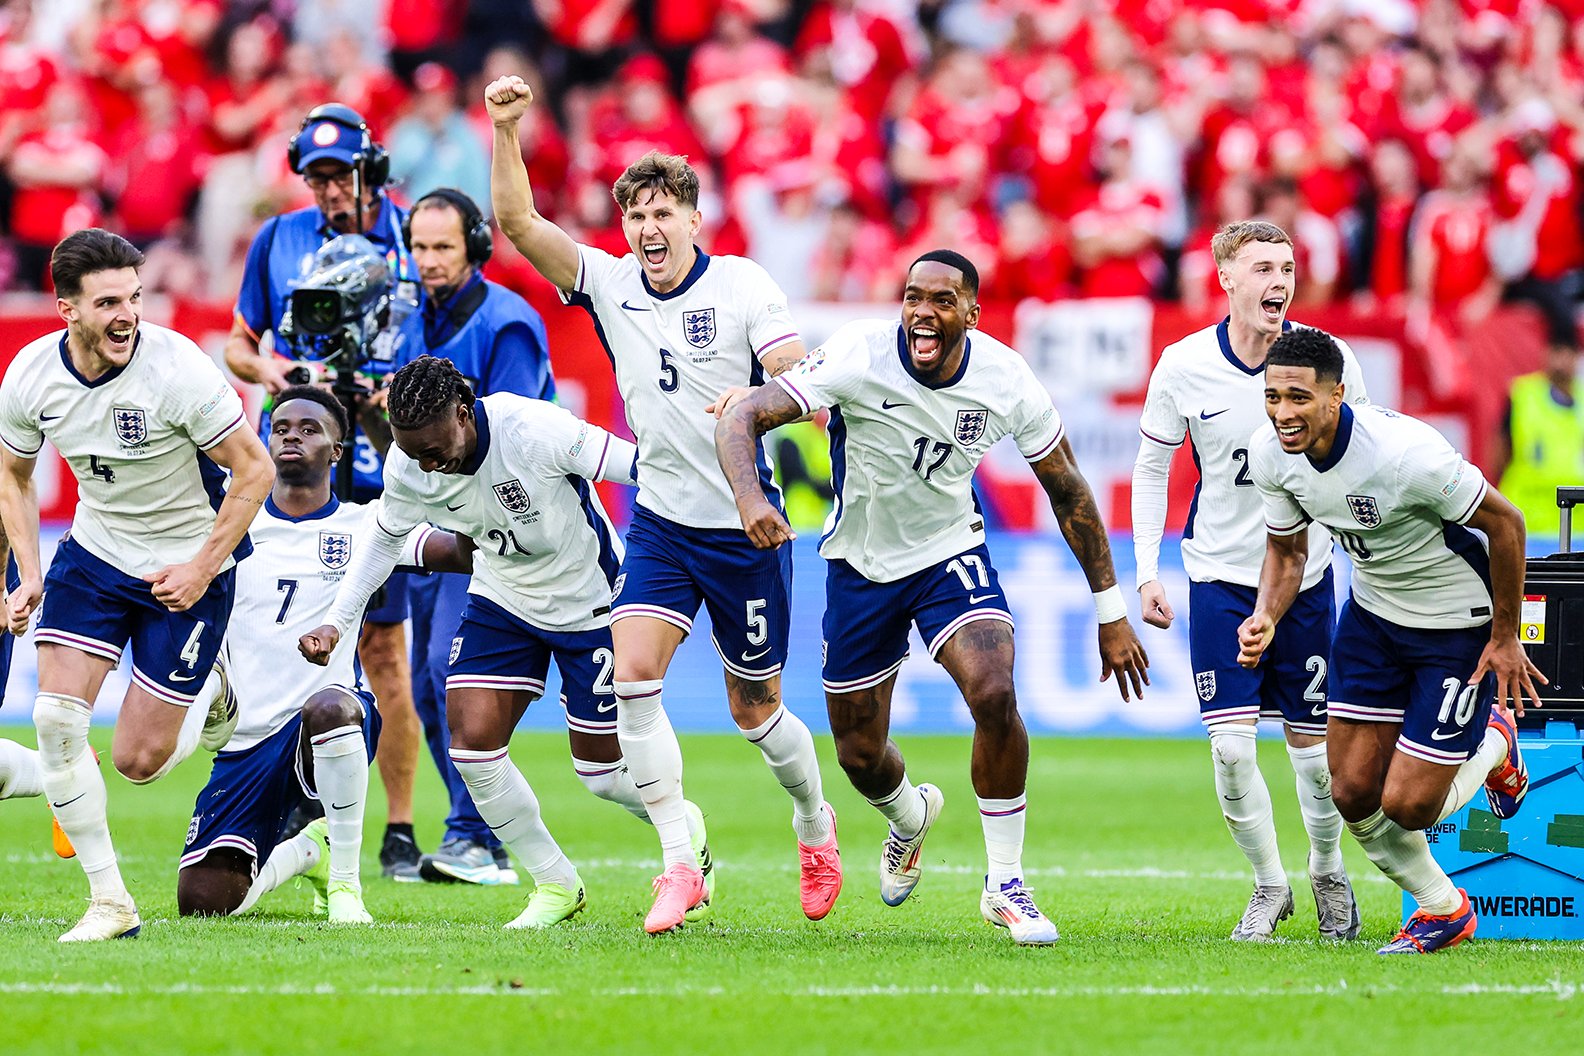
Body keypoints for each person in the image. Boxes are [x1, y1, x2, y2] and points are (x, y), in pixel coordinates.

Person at [715, 250, 1151, 945]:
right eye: (913, 297)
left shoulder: (1005, 378)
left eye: (943, 301)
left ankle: (1005, 883)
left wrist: (1110, 609)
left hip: (950, 551)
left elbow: (1067, 488)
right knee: (860, 754)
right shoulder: (858, 352)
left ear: (970, 315)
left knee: (995, 691)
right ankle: (910, 818)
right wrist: (748, 499)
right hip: (859, 565)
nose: (923, 311)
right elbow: (739, 422)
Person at [486, 74, 838, 932]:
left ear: (693, 220)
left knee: (756, 712)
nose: (647, 229)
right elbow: (520, 225)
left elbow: (799, 369)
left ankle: (814, 822)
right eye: (635, 216)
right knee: (634, 681)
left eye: (661, 214)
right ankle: (680, 863)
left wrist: (761, 398)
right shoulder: (610, 283)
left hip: (747, 526)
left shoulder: (745, 286)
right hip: (662, 521)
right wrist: (506, 130)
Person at [299, 356, 712, 930]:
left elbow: (641, 467)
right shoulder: (410, 462)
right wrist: (337, 623)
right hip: (502, 598)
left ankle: (679, 821)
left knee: (601, 776)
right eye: (413, 452)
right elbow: (383, 540)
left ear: (465, 414)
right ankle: (555, 883)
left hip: (588, 601)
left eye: (435, 449)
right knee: (471, 749)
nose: (427, 465)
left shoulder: (536, 430)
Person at [0, 229, 275, 942]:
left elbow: (255, 471)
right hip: (95, 554)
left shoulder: (178, 368)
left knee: (138, 761)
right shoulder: (31, 376)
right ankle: (110, 903)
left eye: (134, 297)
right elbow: (13, 475)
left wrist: (201, 567)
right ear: (66, 309)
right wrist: (30, 572)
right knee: (57, 721)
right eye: (108, 302)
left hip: (186, 561)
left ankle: (215, 690)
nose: (127, 315)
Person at [1239, 327, 1537, 955]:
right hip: (1373, 619)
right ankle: (1443, 908)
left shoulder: (1405, 456)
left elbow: (1506, 524)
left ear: (1336, 395)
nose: (1283, 413)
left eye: (1298, 397)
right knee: (1347, 790)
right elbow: (1288, 550)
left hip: (1456, 624)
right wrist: (1267, 612)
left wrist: (1506, 635)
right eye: (1272, 397)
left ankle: (1494, 746)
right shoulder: (1270, 454)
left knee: (1409, 806)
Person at [1131, 220, 1367, 942]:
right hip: (1221, 578)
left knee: (1316, 755)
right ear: (1225, 277)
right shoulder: (1183, 364)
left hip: (1309, 577)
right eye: (1263, 267)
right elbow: (1151, 468)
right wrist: (1145, 572)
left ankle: (1327, 871)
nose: (1280, 280)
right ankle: (1270, 885)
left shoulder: (1328, 360)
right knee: (1232, 749)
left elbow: (1369, 452)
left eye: (1288, 267)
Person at [222, 103, 428, 881]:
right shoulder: (279, 238)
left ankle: (400, 827)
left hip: (377, 454)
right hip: (300, 450)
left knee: (383, 648)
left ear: (368, 169)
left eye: (340, 175)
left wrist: (392, 394)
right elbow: (242, 344)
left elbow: (430, 348)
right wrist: (274, 374)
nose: (330, 189)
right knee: (282, 637)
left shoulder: (410, 237)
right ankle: (293, 809)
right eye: (316, 176)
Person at [176, 386, 473, 923]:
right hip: (245, 741)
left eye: (310, 429)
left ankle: (345, 886)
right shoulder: (228, 526)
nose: (292, 435)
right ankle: (310, 853)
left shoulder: (367, 525)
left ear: (337, 451)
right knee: (203, 903)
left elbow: (455, 549)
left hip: (331, 723)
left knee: (333, 706)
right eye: (281, 427)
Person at [390, 187, 557, 884]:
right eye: (420, 247)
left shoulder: (508, 322)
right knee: (428, 687)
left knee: (444, 671)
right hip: (435, 522)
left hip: (495, 525)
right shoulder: (404, 323)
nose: (427, 262)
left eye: (442, 248)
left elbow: (510, 426)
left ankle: (476, 836)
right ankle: (475, 833)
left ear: (477, 248)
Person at [1493, 342, 1583, 541]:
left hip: (1578, 528)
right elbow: (1501, 449)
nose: (1562, 360)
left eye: (1568, 352)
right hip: (1527, 523)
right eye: (1557, 351)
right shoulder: (1523, 395)